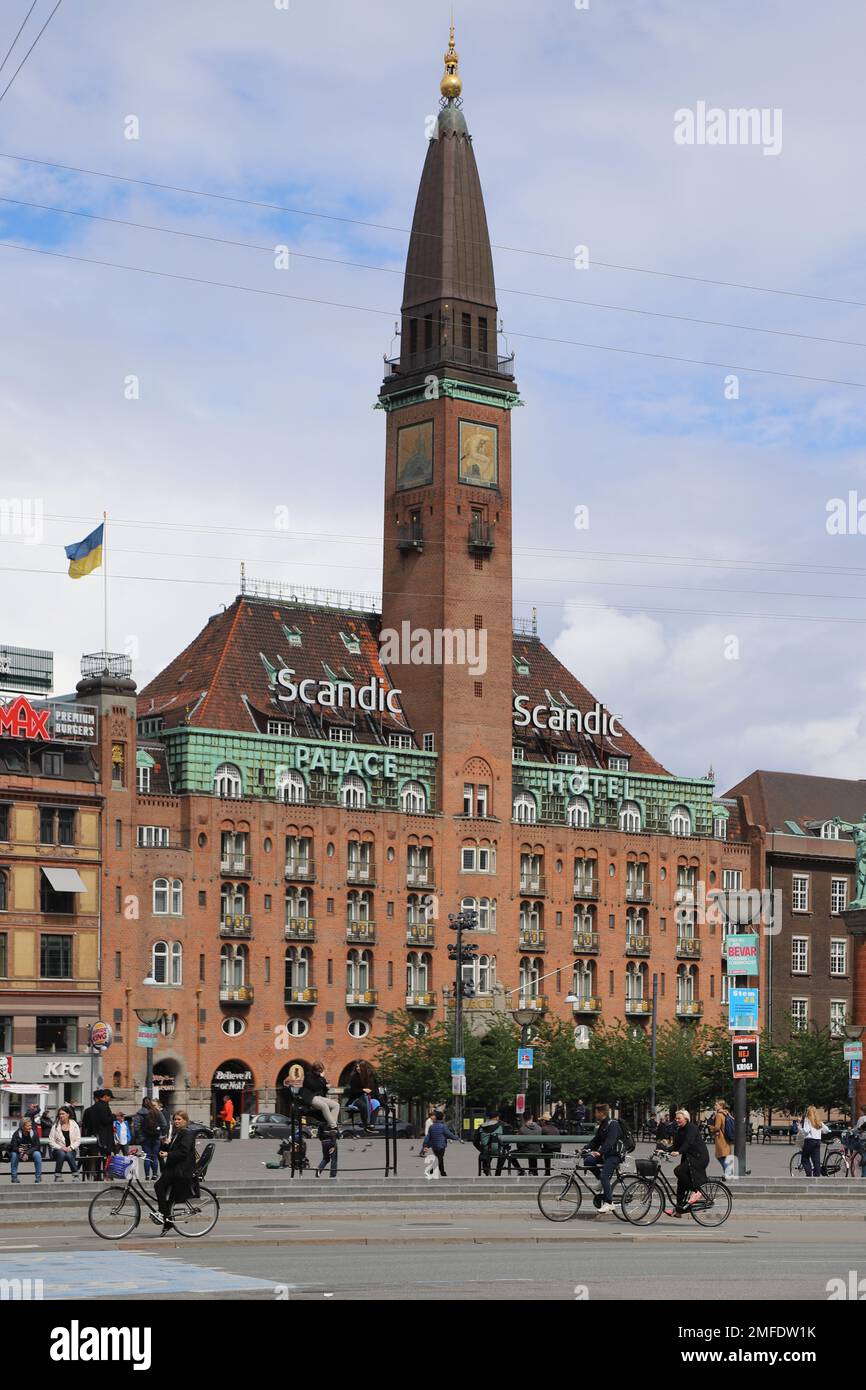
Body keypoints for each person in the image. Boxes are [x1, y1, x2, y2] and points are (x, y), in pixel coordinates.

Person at [154, 1110, 196, 1234]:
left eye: (179, 1119)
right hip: (174, 1168)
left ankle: (163, 1213)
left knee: (159, 1186)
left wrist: (168, 1153)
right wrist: (165, 1146)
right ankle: (167, 1221)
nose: (176, 1121)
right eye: (175, 1119)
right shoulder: (178, 1133)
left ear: (185, 1121)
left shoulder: (187, 1133)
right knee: (167, 1196)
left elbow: (183, 1152)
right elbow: (173, 1150)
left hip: (181, 1170)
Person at [663, 1108, 710, 1215]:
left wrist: (679, 1152)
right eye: (676, 1119)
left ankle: (696, 1191)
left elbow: (688, 1143)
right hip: (689, 1157)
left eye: (679, 1118)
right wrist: (664, 1150)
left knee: (678, 1171)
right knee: (681, 1183)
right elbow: (676, 1145)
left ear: (686, 1118)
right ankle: (679, 1210)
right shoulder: (680, 1130)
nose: (677, 1120)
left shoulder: (692, 1128)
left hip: (699, 1158)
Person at [584, 1103, 623, 1213]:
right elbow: (596, 1140)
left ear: (602, 1113)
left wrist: (600, 1152)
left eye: (596, 1112)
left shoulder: (613, 1124)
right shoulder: (602, 1125)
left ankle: (609, 1203)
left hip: (614, 1155)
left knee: (605, 1176)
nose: (594, 1114)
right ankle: (601, 1180)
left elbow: (610, 1142)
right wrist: (585, 1149)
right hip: (606, 1154)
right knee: (588, 1161)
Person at [82, 1089, 116, 1178]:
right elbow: (105, 1120)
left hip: (92, 1137)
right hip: (105, 1137)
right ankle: (106, 1174)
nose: (110, 1099)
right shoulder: (104, 1106)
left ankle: (96, 1175)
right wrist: (114, 1116)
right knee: (106, 1156)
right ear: (104, 1097)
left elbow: (85, 1126)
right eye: (109, 1097)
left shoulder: (89, 1110)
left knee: (95, 1157)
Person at [132, 1097, 166, 1180]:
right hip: (155, 1138)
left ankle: (147, 1175)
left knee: (146, 1157)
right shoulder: (157, 1112)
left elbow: (136, 1127)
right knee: (154, 1157)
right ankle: (154, 1175)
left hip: (145, 1139)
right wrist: (160, 1133)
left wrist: (141, 1137)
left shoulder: (139, 1114)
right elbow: (164, 1124)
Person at [301, 1061, 341, 1131]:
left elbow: (323, 1088)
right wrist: (322, 1080)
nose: (320, 1073)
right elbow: (314, 1086)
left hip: (319, 1097)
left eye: (321, 1071)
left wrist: (327, 1087)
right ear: (314, 1070)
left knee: (336, 1105)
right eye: (319, 1071)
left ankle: (331, 1126)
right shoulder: (309, 1076)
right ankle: (333, 1126)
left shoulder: (320, 1077)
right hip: (310, 1097)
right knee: (324, 1106)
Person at [420, 1110, 458, 1178]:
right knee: (440, 1158)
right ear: (442, 1118)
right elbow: (449, 1134)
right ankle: (440, 1172)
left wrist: (425, 1145)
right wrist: (456, 1138)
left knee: (439, 1158)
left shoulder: (432, 1126)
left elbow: (428, 1137)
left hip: (434, 1146)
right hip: (441, 1146)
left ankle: (439, 1171)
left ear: (436, 1118)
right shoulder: (443, 1126)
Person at [346, 1060, 380, 1133]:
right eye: (357, 1066)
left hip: (367, 1098)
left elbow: (374, 1089)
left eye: (360, 1067)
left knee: (376, 1103)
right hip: (355, 1099)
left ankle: (372, 1125)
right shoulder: (354, 1077)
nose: (358, 1068)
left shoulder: (369, 1076)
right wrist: (363, 1090)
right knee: (364, 1105)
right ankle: (366, 1125)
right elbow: (353, 1091)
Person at [49, 1107, 81, 1181]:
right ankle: (58, 1175)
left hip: (71, 1149)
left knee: (69, 1154)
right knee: (62, 1154)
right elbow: (51, 1141)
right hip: (58, 1150)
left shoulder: (74, 1125)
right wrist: (61, 1148)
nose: (61, 1116)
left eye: (63, 1114)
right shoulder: (55, 1126)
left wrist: (71, 1147)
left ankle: (75, 1175)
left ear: (68, 1114)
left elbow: (78, 1140)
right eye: (60, 1114)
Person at [10, 1118, 43, 1183]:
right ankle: (14, 1177)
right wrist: (18, 1149)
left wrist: (27, 1153)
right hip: (19, 1153)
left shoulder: (34, 1133)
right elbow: (13, 1146)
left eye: (30, 1125)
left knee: (37, 1154)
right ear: (23, 1126)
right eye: (28, 1126)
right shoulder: (16, 1134)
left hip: (30, 1153)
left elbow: (37, 1146)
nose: (30, 1127)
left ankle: (38, 1177)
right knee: (14, 1155)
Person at [800, 1107, 829, 1177]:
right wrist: (820, 1131)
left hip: (809, 1141)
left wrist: (801, 1129)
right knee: (816, 1160)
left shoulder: (808, 1120)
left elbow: (806, 1131)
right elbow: (827, 1130)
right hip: (818, 1141)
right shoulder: (818, 1121)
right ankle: (817, 1176)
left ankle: (809, 1173)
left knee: (805, 1158)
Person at [474, 1111, 504, 1177]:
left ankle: (486, 1169)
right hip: (499, 1150)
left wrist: (480, 1149)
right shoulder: (501, 1126)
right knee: (502, 1154)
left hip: (486, 1150)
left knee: (486, 1152)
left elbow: (475, 1141)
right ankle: (498, 1173)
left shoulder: (481, 1127)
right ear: (496, 1117)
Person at [712, 1099, 734, 1179]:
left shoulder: (719, 1115)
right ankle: (728, 1172)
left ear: (721, 1106)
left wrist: (711, 1128)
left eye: (716, 1105)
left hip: (720, 1138)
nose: (714, 1106)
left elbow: (717, 1127)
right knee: (725, 1156)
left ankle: (728, 1173)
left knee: (720, 1156)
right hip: (727, 1137)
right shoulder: (727, 1113)